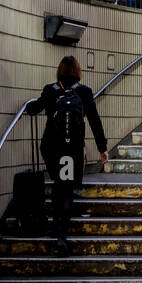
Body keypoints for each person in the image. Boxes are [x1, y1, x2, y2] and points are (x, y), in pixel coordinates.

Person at [26, 56, 108, 253]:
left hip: (51, 148)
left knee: (59, 185)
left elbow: (34, 109)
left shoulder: (50, 90)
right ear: (78, 71)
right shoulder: (84, 92)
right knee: (66, 189)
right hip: (71, 150)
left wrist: (28, 106)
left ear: (59, 71)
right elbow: (95, 121)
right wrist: (102, 148)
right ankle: (61, 234)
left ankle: (57, 230)